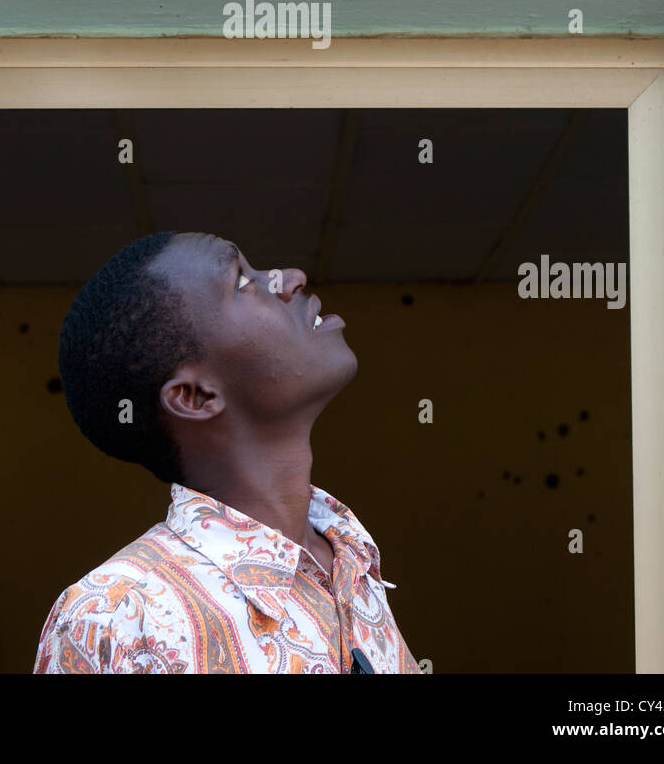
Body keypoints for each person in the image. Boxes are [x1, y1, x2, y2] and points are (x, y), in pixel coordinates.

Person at [34, 230, 420, 674]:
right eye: (241, 282)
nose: (292, 278)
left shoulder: (353, 563)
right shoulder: (114, 618)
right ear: (196, 396)